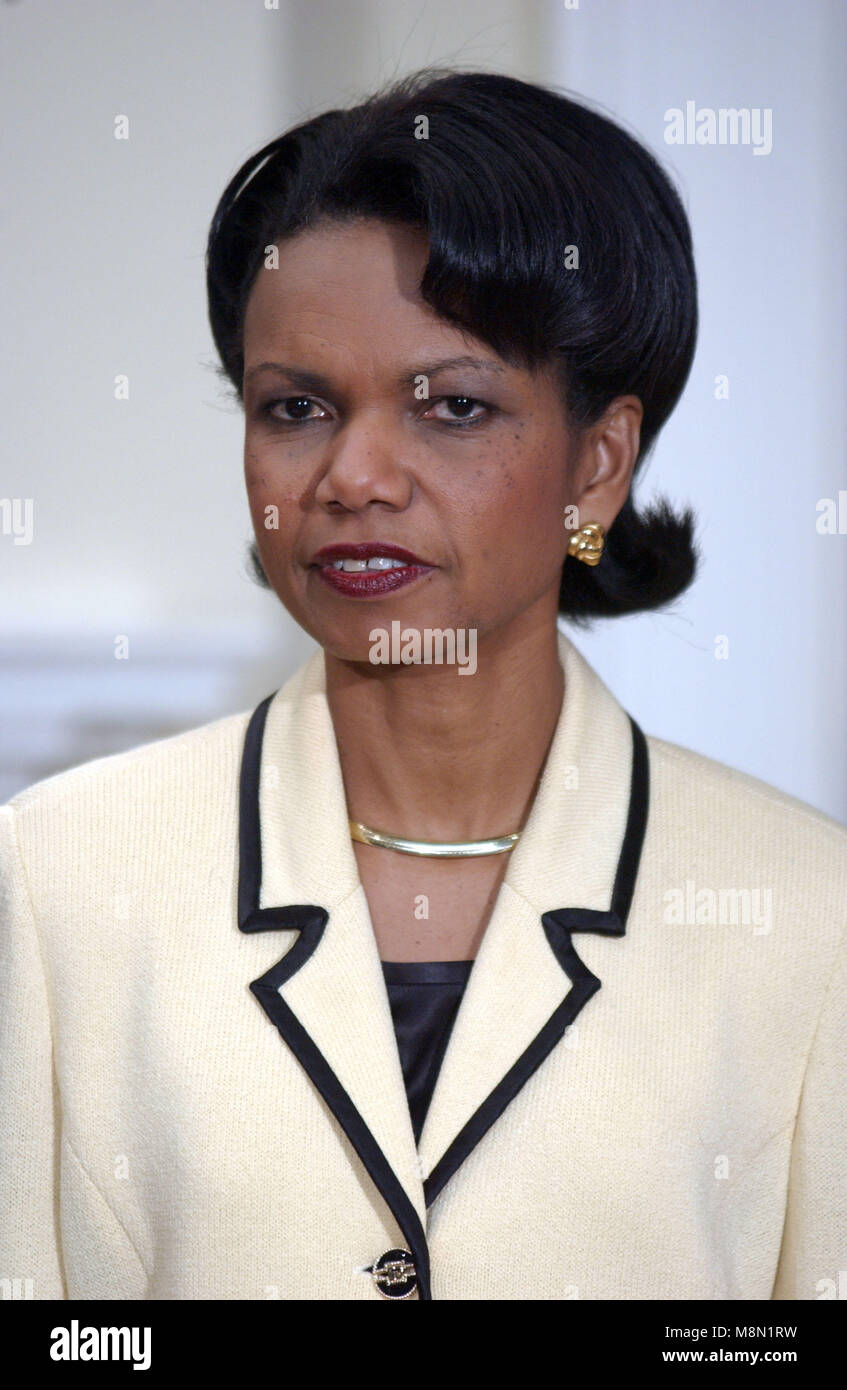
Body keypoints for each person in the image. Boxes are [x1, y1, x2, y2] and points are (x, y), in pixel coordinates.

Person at [1, 68, 845, 1302]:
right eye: (295, 406)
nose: (353, 474)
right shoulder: (54, 878)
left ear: (598, 467)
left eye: (451, 405)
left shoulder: (805, 913)